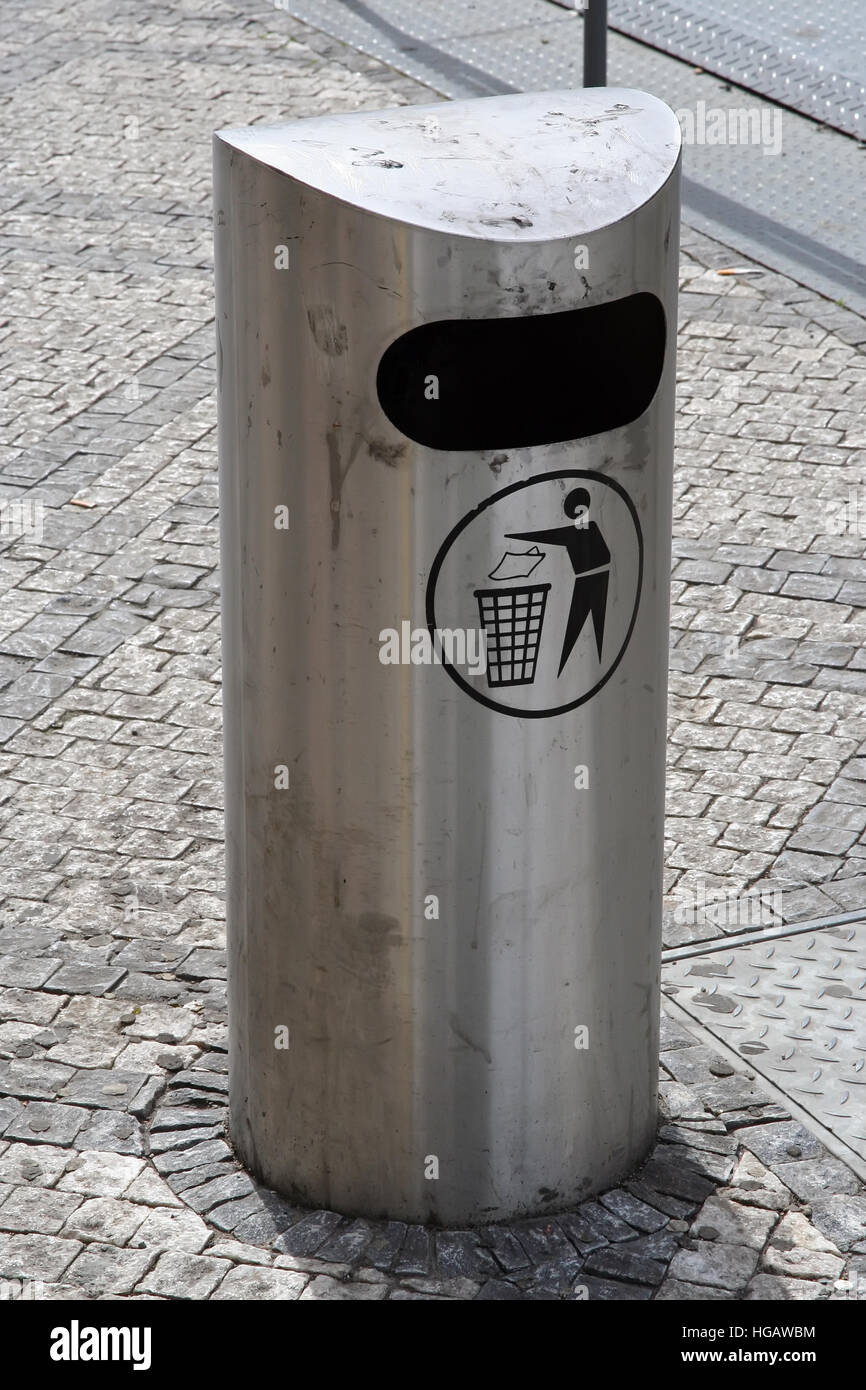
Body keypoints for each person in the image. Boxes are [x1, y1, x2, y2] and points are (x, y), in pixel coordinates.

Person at [506, 488, 609, 675]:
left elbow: (550, 536)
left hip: (590, 580)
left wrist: (516, 536)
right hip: (592, 578)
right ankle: (568, 667)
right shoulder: (586, 528)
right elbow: (552, 536)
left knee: (580, 626)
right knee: (584, 626)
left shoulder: (585, 529)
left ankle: (568, 668)